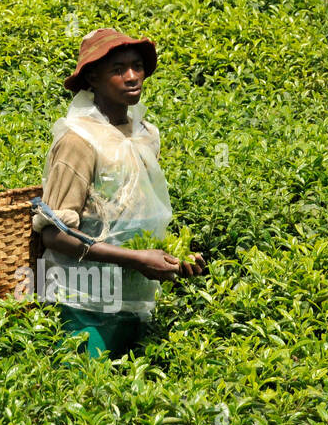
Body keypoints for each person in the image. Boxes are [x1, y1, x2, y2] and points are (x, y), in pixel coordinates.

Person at [32, 29, 206, 360]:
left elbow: (138, 219)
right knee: (85, 395)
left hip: (136, 299)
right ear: (92, 79)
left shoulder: (146, 136)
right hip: (81, 301)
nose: (131, 77)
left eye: (137, 66)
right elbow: (54, 233)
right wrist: (139, 259)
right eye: (117, 69)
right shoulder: (78, 141)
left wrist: (174, 258)